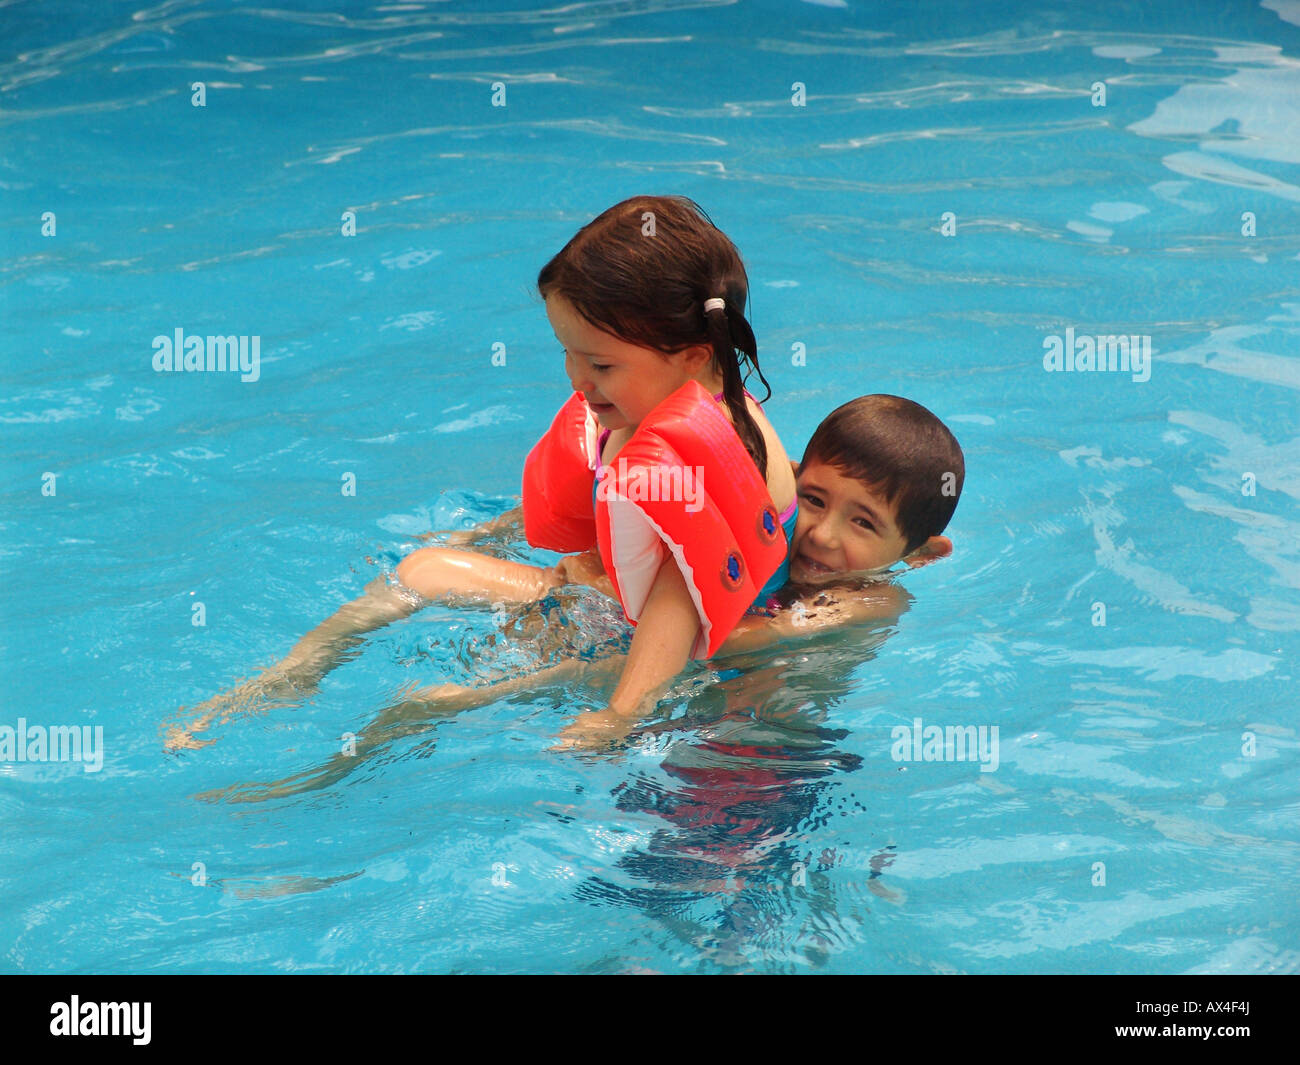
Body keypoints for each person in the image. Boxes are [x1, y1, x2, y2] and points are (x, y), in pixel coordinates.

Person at [165, 393, 964, 759]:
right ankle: (299, 668)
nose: (820, 533)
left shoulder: (872, 600)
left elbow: (744, 637)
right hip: (613, 611)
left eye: (864, 523)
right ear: (792, 476)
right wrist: (505, 536)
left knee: (480, 686)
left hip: (721, 691)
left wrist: (643, 614)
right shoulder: (764, 508)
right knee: (425, 567)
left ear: (919, 551)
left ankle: (464, 704)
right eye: (815, 497)